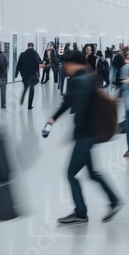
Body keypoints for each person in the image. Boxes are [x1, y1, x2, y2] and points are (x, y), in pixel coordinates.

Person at [46, 50, 124, 225]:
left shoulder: (79, 81)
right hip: (90, 133)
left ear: (73, 63)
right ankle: (114, 200)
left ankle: (80, 213)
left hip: (85, 135)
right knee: (92, 172)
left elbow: (80, 109)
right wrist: (53, 119)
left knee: (71, 173)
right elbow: (68, 101)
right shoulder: (86, 76)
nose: (64, 68)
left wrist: (77, 135)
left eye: (65, 64)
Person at [15, 42, 42, 110]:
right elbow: (40, 61)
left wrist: (16, 74)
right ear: (33, 46)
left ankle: (22, 100)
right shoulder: (35, 53)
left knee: (25, 88)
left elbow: (18, 65)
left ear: (27, 46)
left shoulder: (22, 54)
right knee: (32, 89)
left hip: (25, 75)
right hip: (33, 74)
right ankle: (29, 106)